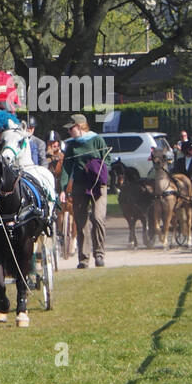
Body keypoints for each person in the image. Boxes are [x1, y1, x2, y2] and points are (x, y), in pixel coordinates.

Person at [60, 112, 110, 268]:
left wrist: (99, 171)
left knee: (97, 218)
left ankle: (99, 254)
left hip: (97, 185)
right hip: (80, 186)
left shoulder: (97, 140)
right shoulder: (72, 145)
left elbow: (107, 159)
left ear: (80, 126)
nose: (69, 132)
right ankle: (83, 258)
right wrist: (63, 189)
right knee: (81, 221)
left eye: (71, 128)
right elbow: (67, 168)